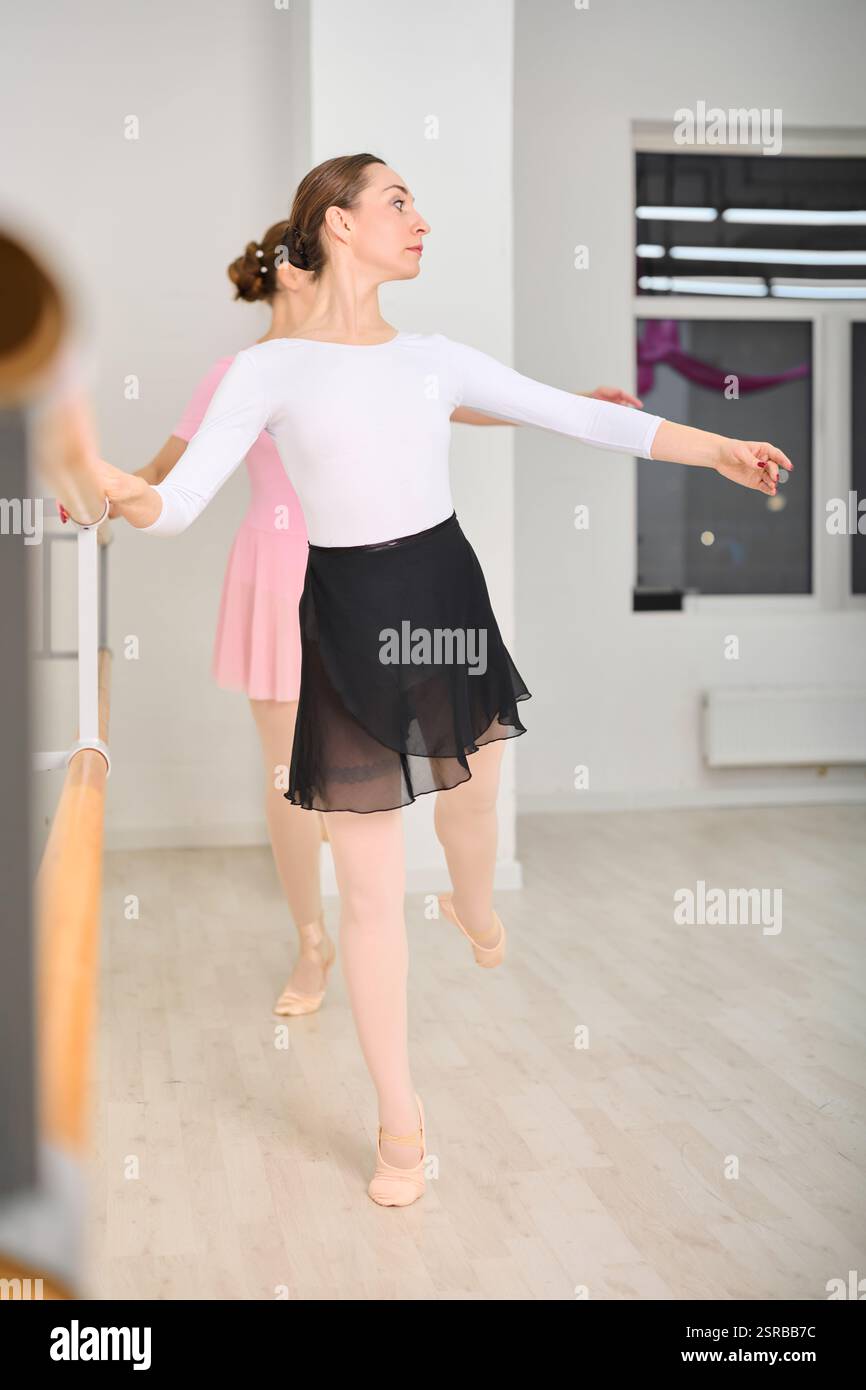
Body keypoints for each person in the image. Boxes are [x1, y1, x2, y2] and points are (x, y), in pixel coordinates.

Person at [98, 153, 792, 1207]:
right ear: (335, 223)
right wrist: (103, 483)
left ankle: (475, 911)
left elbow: (583, 416)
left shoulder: (432, 358)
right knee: (370, 892)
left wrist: (713, 450)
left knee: (469, 827)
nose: (420, 219)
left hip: (441, 599)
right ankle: (400, 1127)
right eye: (397, 201)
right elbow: (177, 500)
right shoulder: (266, 373)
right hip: (342, 615)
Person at [121, 218, 647, 1019]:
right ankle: (311, 943)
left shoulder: (383, 358)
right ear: (290, 273)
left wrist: (574, 406)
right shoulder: (244, 373)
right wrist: (101, 489)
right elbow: (165, 473)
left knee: (393, 773)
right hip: (277, 574)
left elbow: (454, 406)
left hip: (376, 582)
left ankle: (385, 917)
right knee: (289, 779)